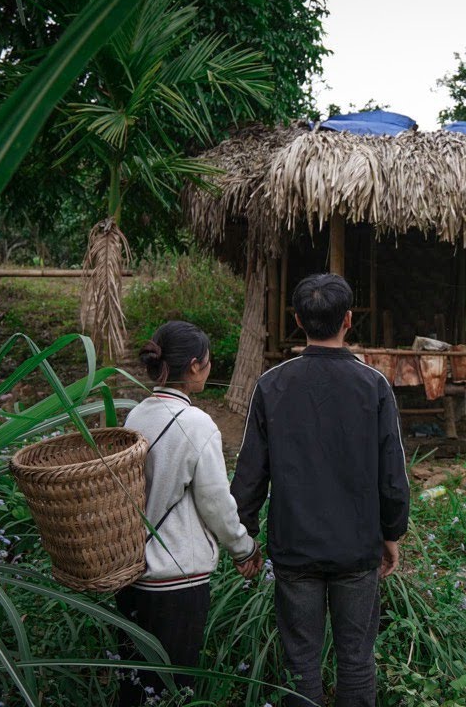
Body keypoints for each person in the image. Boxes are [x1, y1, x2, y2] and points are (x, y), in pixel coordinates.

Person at [231, 273, 410, 707]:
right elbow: (393, 473)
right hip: (357, 548)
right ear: (348, 319)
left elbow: (250, 472)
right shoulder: (374, 385)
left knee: (301, 663)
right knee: (356, 658)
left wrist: (245, 535)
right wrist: (391, 534)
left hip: (295, 550)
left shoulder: (271, 385)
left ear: (297, 320)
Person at [117, 320, 265, 706]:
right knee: (175, 687)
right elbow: (216, 503)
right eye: (209, 361)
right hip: (178, 581)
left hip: (132, 576)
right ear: (196, 366)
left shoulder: (136, 416)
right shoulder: (197, 425)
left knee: (135, 683)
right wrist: (244, 549)